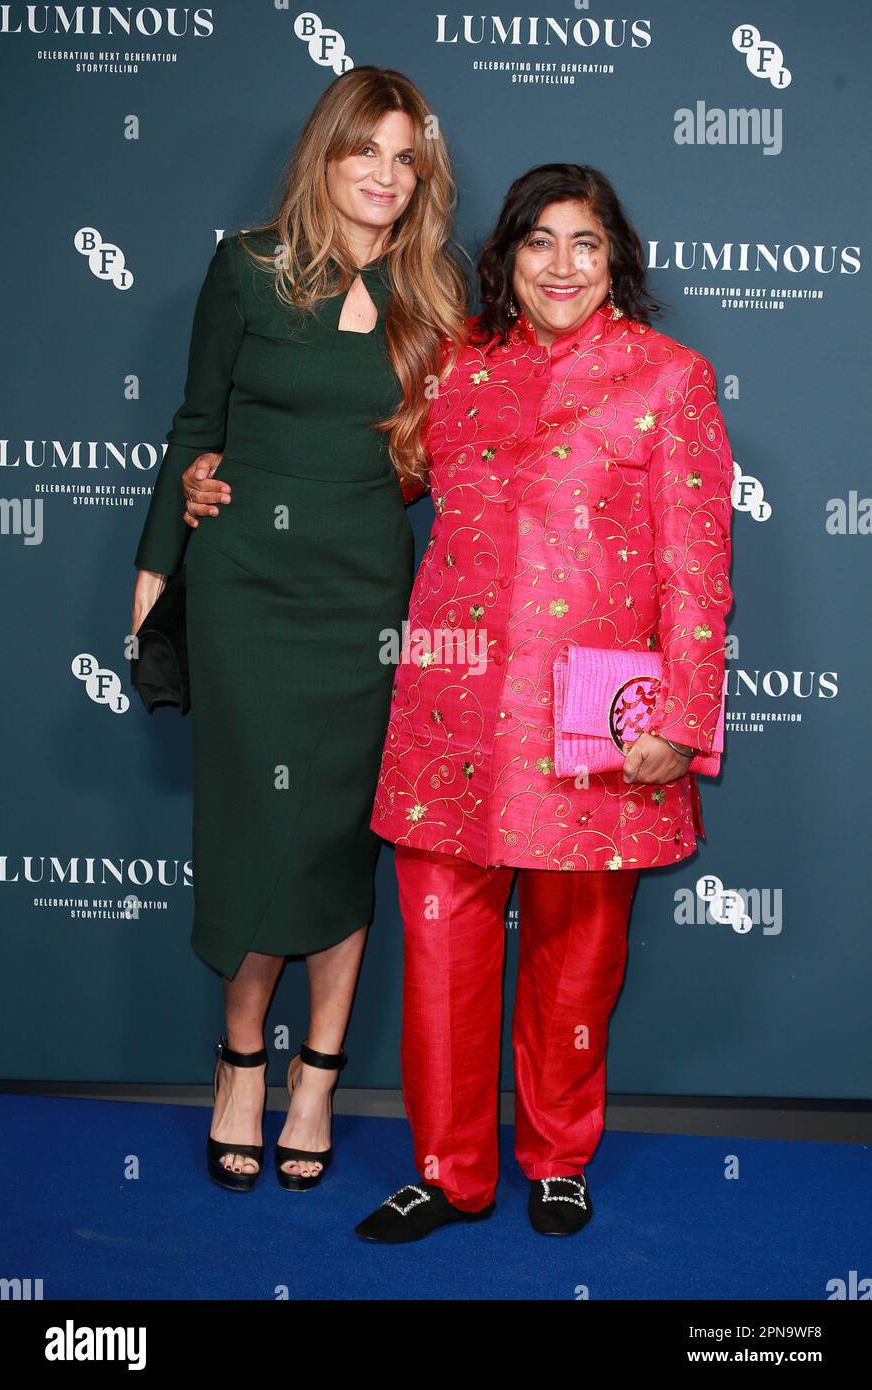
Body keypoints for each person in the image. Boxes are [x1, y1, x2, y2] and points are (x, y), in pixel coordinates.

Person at [352, 163, 735, 1241]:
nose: (560, 266)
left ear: (615, 260)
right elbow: (362, 482)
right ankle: (447, 1173)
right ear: (506, 256)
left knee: (576, 962)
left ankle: (558, 1159)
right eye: (538, 242)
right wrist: (221, 480)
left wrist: (681, 715)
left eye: (585, 243)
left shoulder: (667, 376)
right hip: (451, 704)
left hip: (594, 712)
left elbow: (697, 564)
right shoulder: (455, 364)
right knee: (441, 958)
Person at [129, 67, 466, 1193]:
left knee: (336, 834)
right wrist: (155, 571)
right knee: (253, 831)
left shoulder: (438, 293)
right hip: (247, 591)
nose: (384, 174)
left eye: (404, 157)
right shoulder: (248, 268)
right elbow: (195, 423)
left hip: (366, 600)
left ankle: (316, 1074)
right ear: (323, 155)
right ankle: (239, 1062)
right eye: (363, 149)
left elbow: (447, 462)